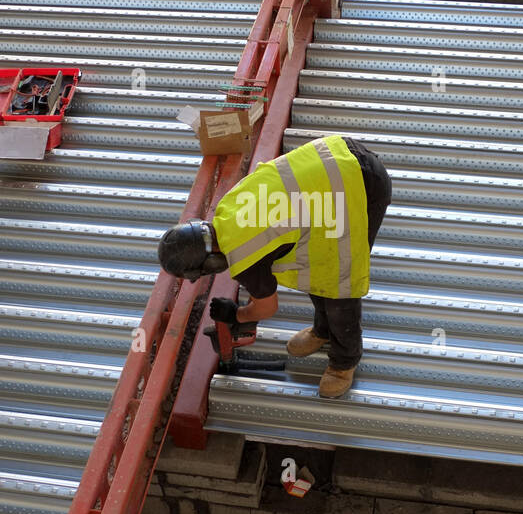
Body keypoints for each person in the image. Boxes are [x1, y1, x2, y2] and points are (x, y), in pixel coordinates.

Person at [157, 134, 392, 398]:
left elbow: (267, 307)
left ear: (210, 263)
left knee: (338, 282)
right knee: (320, 267)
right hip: (338, 158)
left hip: (360, 186)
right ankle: (323, 331)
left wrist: (236, 314)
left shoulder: (244, 255)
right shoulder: (226, 208)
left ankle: (344, 361)